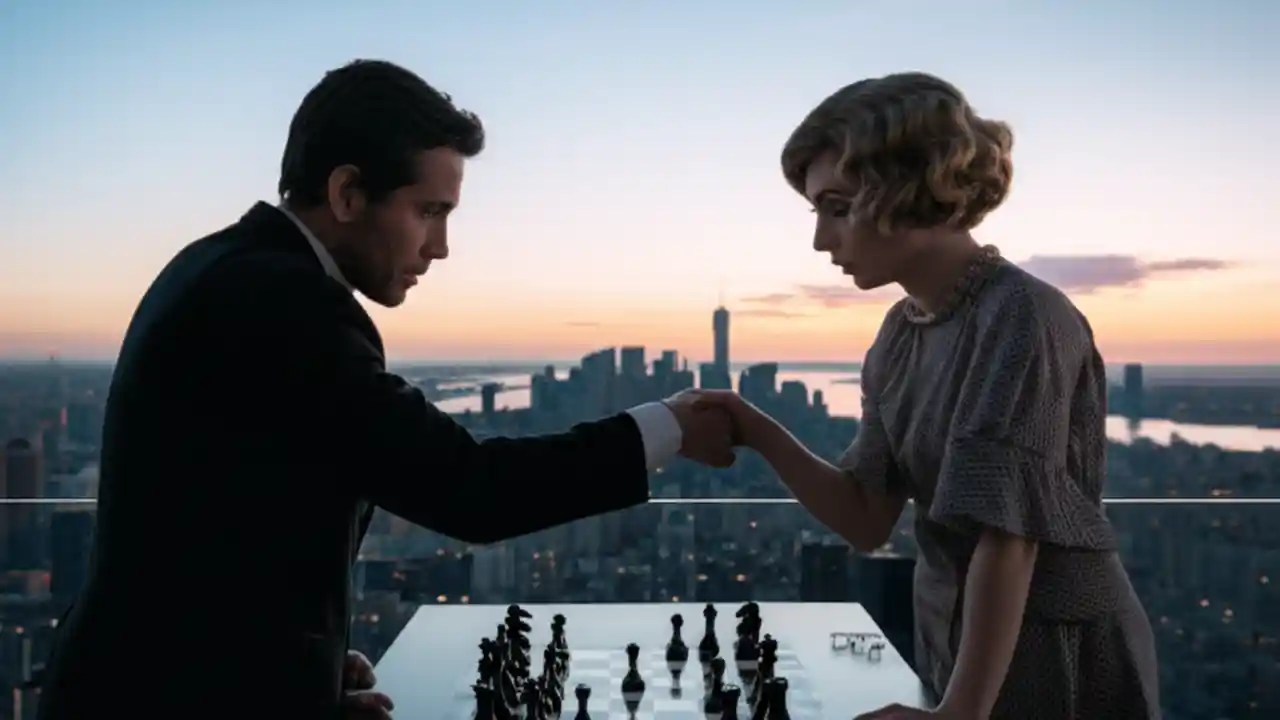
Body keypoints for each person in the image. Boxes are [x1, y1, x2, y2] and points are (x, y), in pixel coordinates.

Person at [36, 60, 733, 720]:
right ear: (346, 193)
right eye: (429, 211)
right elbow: (469, 488)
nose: (442, 247)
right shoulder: (285, 301)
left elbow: (217, 532)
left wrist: (298, 674)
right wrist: (667, 427)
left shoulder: (221, 267)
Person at [694, 73, 1160, 719]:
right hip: (956, 643)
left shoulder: (1023, 316)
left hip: (1054, 648)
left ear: (907, 189)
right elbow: (865, 517)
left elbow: (1010, 535)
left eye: (838, 207)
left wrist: (958, 716)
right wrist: (757, 429)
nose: (820, 241)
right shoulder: (902, 333)